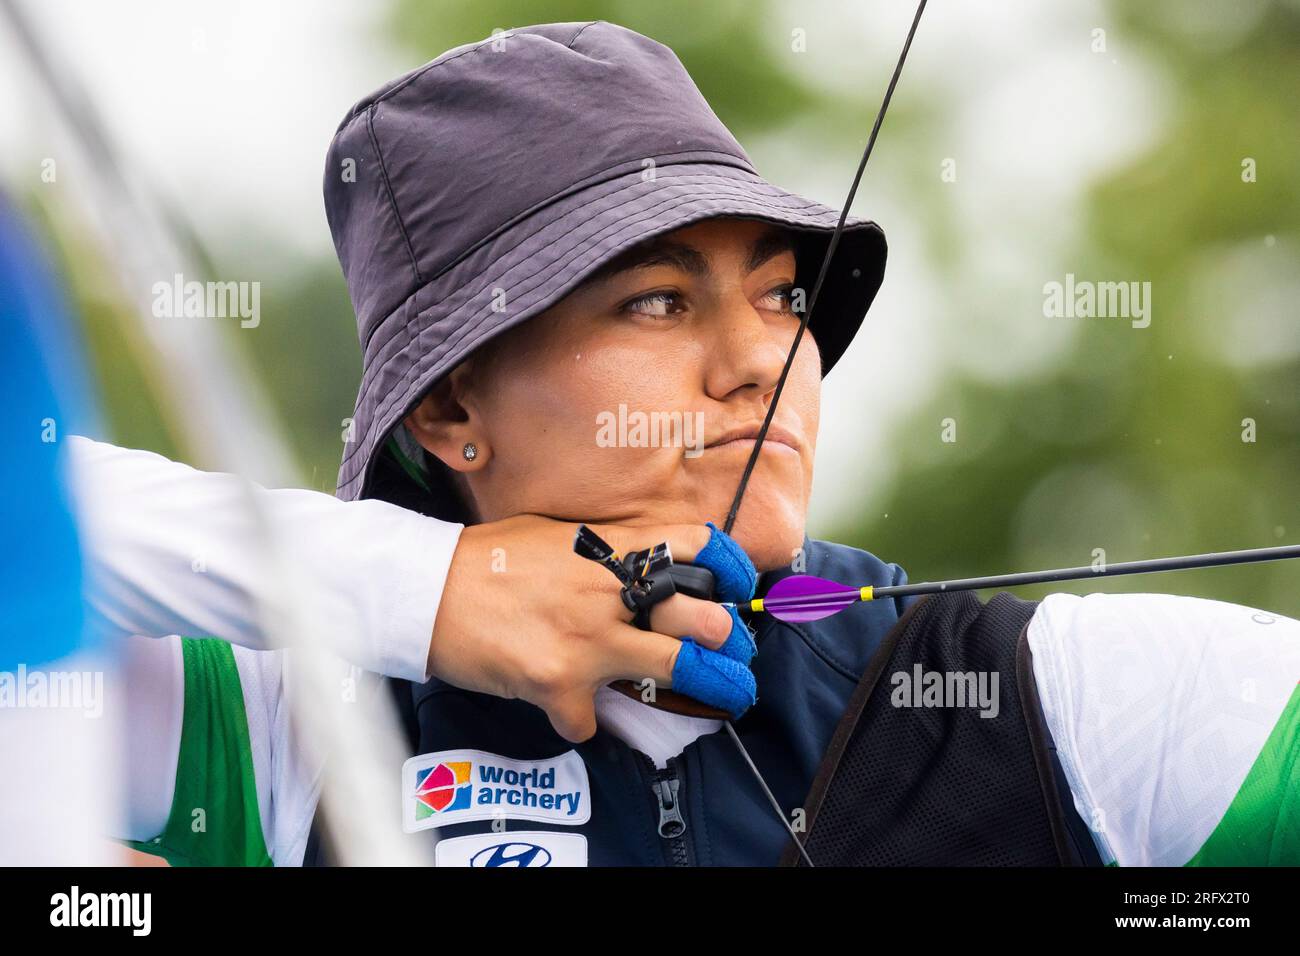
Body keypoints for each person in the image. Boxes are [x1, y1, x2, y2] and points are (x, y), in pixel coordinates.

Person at [119, 21, 1299, 867]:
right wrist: (433, 592)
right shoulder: (294, 722)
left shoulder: (1055, 699)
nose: (765, 360)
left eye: (783, 295)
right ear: (450, 411)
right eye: (656, 301)